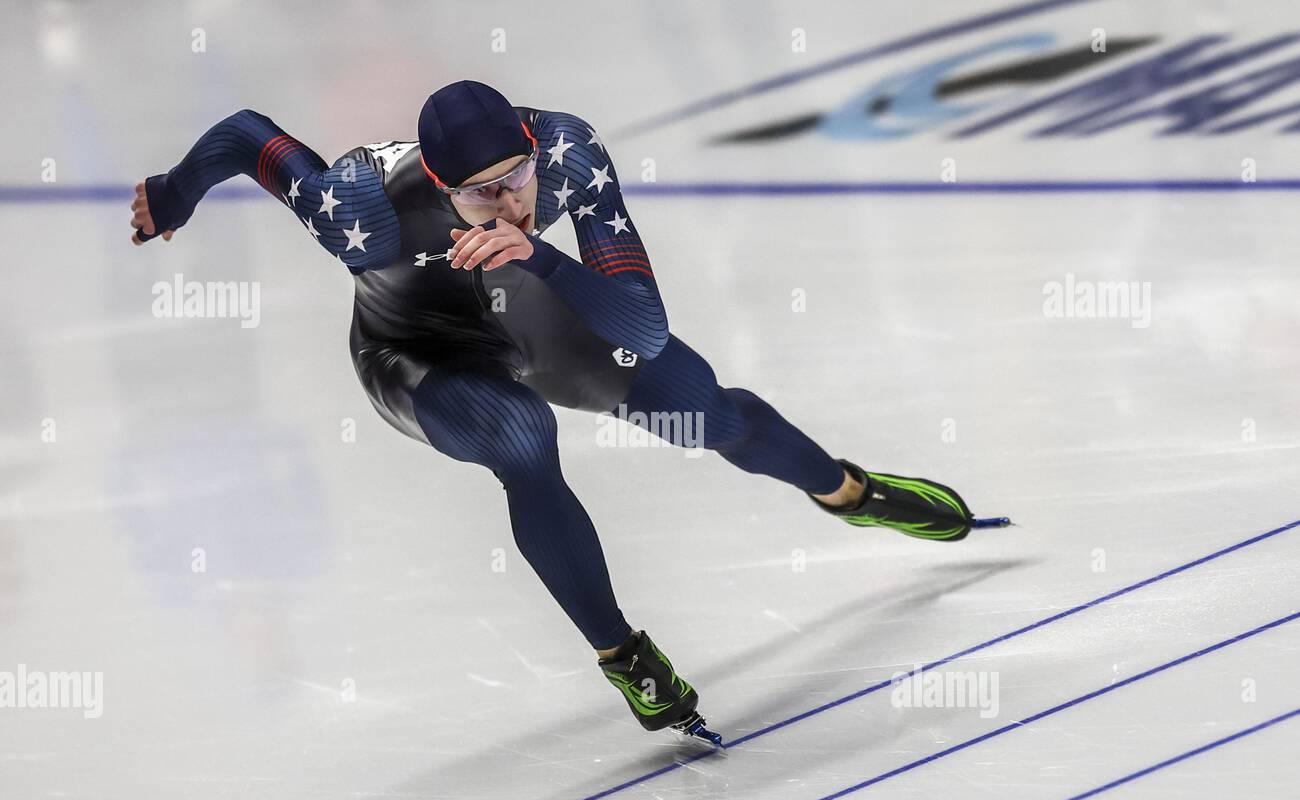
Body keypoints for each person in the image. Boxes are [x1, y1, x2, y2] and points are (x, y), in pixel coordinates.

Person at [131, 79, 991, 745]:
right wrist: (174, 194)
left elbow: (644, 329)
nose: (508, 204)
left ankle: (850, 491)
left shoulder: (568, 149)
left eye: (516, 181)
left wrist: (537, 255)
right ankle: (623, 654)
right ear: (437, 184)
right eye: (479, 197)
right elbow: (246, 136)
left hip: (532, 309)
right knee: (523, 435)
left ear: (533, 148)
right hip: (421, 351)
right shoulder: (357, 207)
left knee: (704, 410)